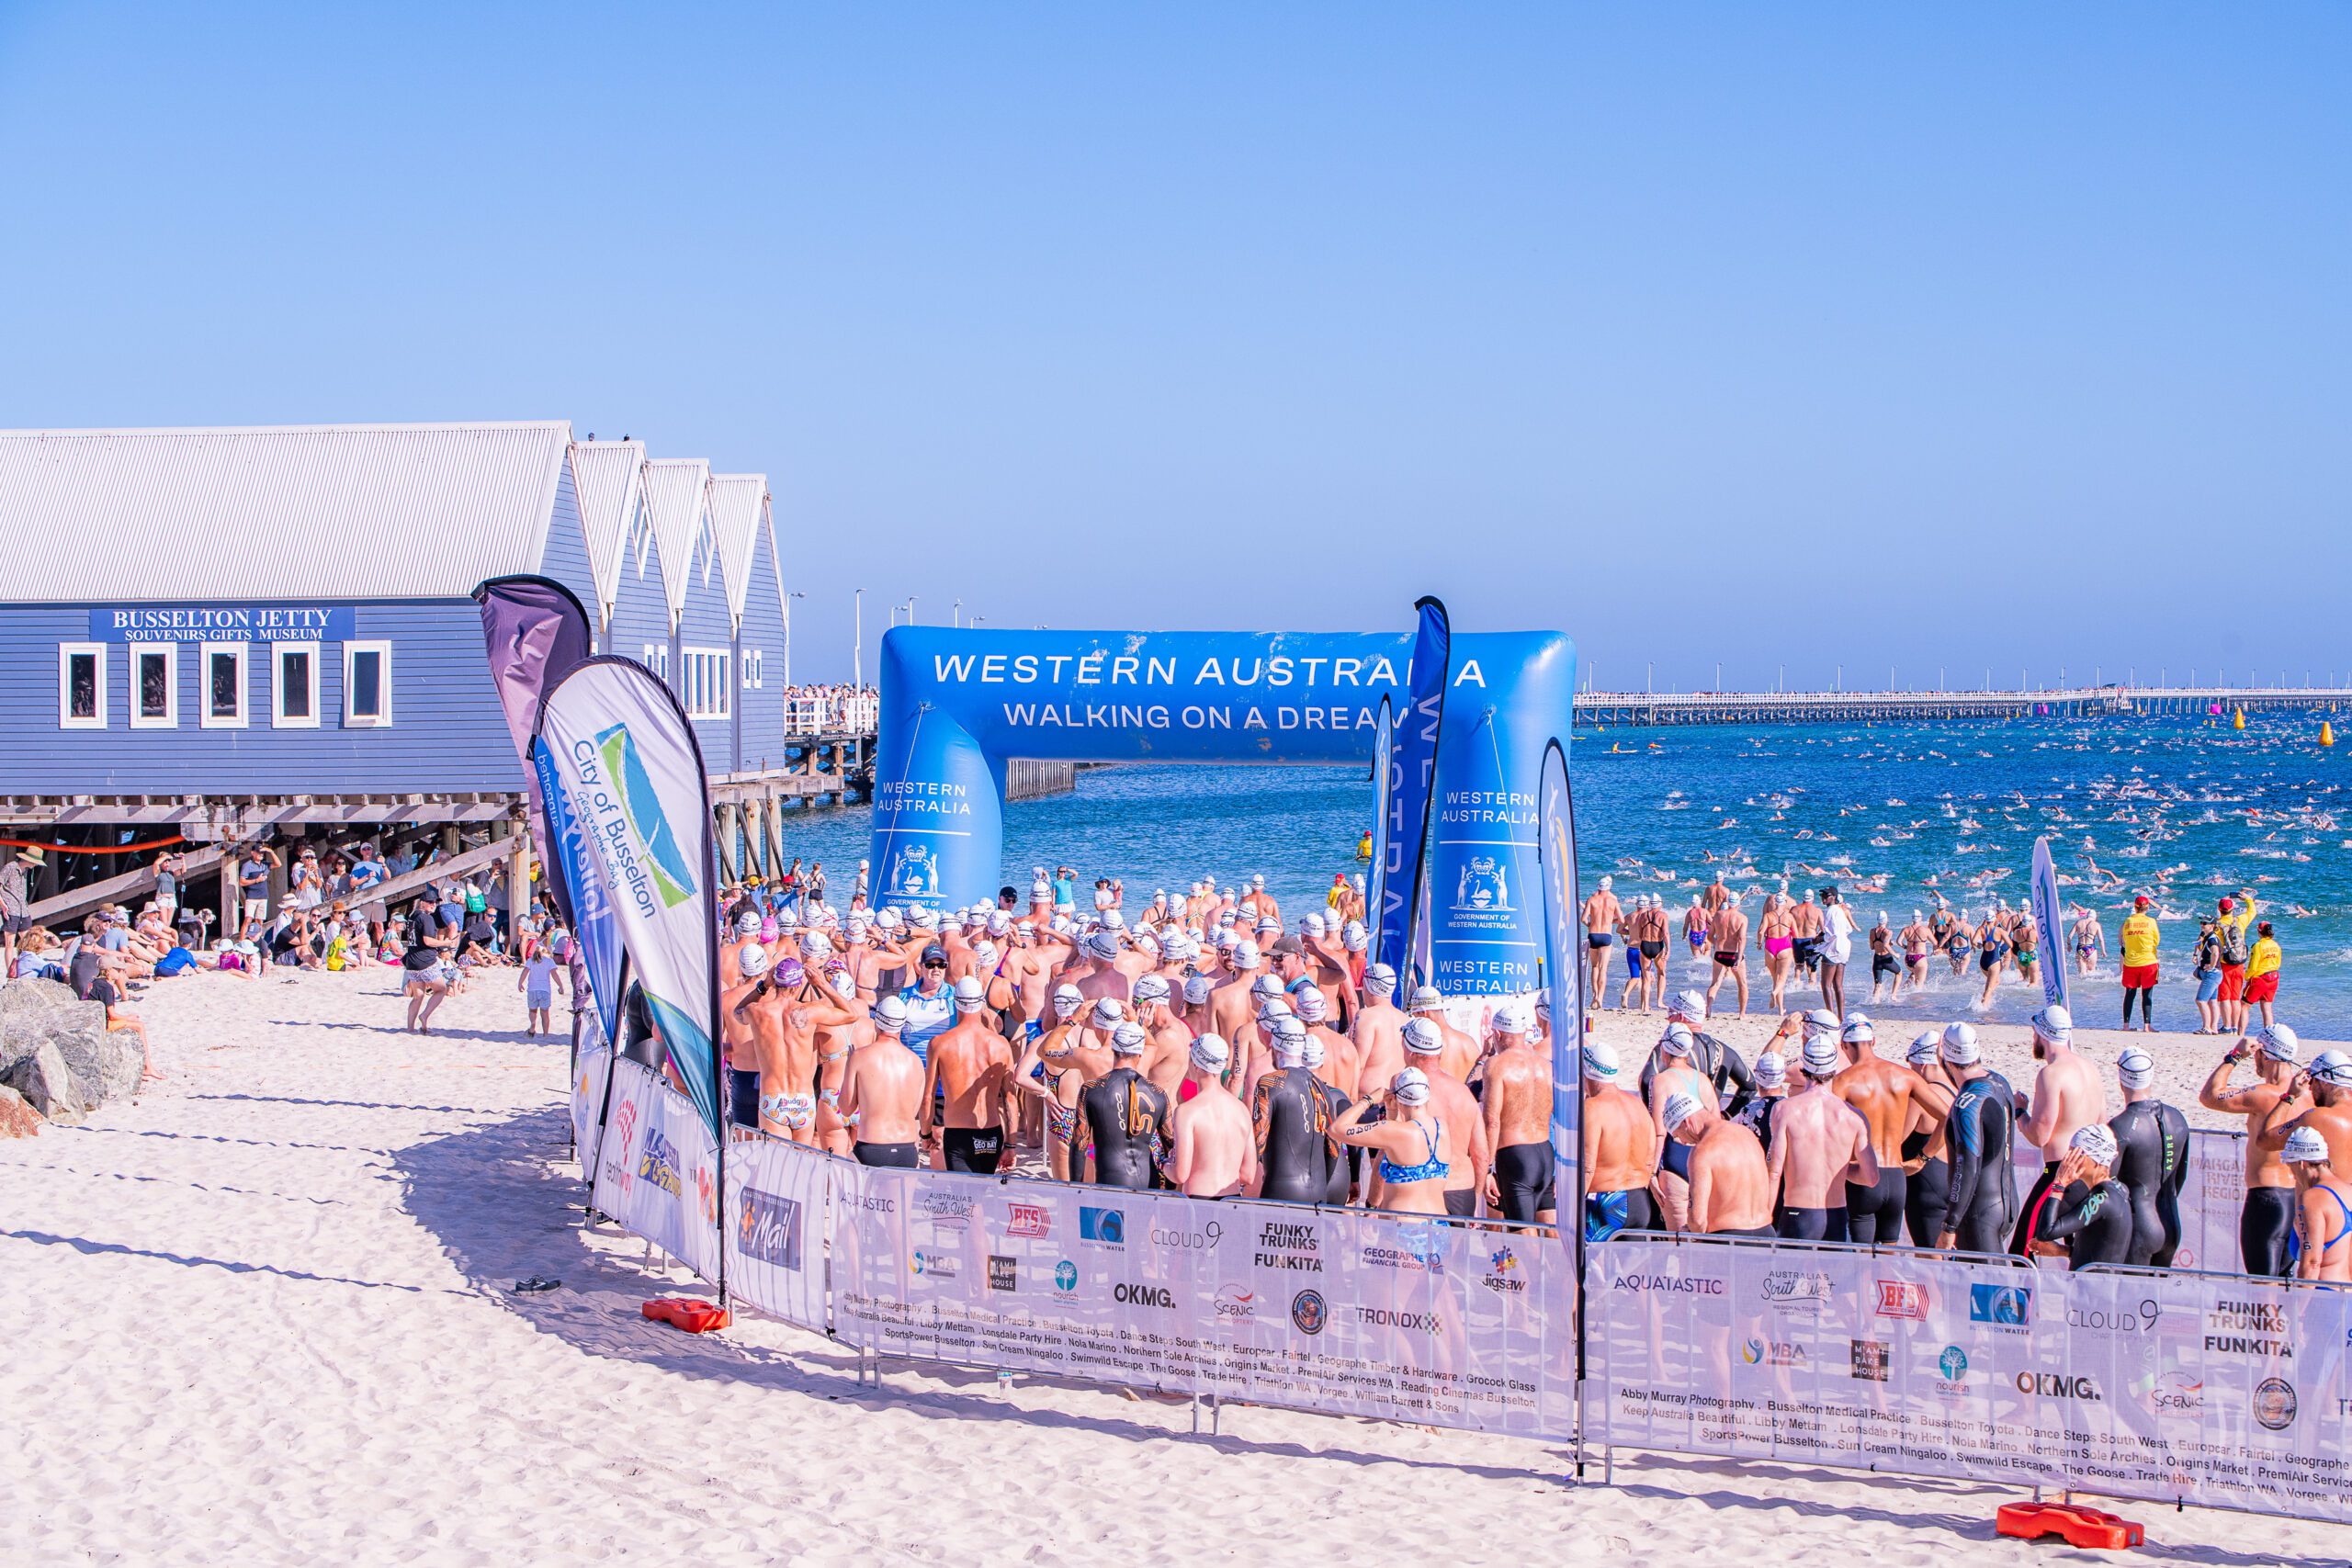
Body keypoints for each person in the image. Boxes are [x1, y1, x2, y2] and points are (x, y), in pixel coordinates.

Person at [1831, 1018, 1947, 1245]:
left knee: (1862, 1262)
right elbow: (1949, 1118)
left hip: (1862, 1175)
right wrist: (1923, 1158)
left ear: (1844, 1046)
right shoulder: (1905, 1076)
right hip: (1896, 1177)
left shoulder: (1843, 1081)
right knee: (1887, 1258)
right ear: (1873, 1041)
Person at [2200, 1025, 2301, 1277]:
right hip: (2297, 1198)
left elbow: (2209, 1096)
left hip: (2266, 1198)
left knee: (2262, 1288)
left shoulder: (2265, 1094)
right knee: (2286, 1284)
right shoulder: (2307, 1094)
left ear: (2262, 1055)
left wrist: (2234, 1056)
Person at [2010, 1005, 2103, 1255]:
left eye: (2034, 1033)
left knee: (2023, 1251)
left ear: (2043, 1034)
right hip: (2090, 1175)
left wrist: (2019, 1111)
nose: (2033, 1039)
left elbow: (2039, 1136)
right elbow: (2102, 1126)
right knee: (2081, 1255)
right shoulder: (2090, 1069)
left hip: (2060, 1174)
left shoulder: (2051, 1074)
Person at [1766, 1034, 1877, 1240]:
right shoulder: (1853, 1116)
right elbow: (1871, 1177)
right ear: (1834, 1067)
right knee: (1833, 1273)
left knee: (1791, 1273)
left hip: (1797, 1213)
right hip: (1835, 1214)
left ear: (1803, 1066)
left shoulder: (1784, 1110)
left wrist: (1764, 1217)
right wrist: (1842, 1169)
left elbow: (1774, 1172)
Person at [1936, 1023, 2019, 1254]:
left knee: (1987, 1288)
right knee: (1998, 1283)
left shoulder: (1967, 1104)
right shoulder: (1999, 1083)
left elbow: (1967, 1165)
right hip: (2007, 1202)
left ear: (1946, 1058)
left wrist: (1950, 1225)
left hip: (1978, 1212)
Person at [920, 976, 1013, 1174]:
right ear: (982, 1003)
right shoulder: (1001, 1044)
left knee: (964, 1200)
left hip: (958, 1133)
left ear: (955, 1003)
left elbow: (928, 1097)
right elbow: (1010, 1099)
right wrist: (1011, 1145)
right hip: (991, 1133)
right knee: (983, 1195)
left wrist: (926, 1133)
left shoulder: (940, 1043)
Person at [2108, 1047, 2191, 1267]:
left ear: (2121, 1079)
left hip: (2138, 1226)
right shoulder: (2178, 1118)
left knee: (2131, 1299)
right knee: (2155, 1299)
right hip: (2170, 1222)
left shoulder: (2120, 1125)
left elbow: (2109, 1187)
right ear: (2151, 1077)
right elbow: (2180, 1176)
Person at [1334, 1067, 1450, 1216]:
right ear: (1427, 1096)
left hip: (1404, 1230)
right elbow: (1396, 1150)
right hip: (1438, 1227)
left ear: (1397, 1097)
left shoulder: (1395, 1131)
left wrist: (1369, 1100)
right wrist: (1392, 1112)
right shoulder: (1442, 1127)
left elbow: (1337, 1129)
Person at [1481, 999, 1555, 1224]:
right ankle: (1556, 1262)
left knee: (1522, 1234)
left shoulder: (1496, 1065)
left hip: (1515, 1156)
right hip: (1545, 1153)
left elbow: (1492, 1121)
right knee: (1550, 1229)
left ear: (1497, 1034)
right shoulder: (1545, 1065)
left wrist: (1487, 1169)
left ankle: (1527, 1262)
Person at [1661, 1091, 1774, 1238]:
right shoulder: (1746, 1133)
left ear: (1686, 1122)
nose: (1683, 1142)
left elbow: (1697, 1220)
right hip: (1766, 1232)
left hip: (1729, 1239)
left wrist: (1690, 1231)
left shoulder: (1703, 1151)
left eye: (1677, 1135)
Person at [1581, 1043, 1660, 1239]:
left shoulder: (1592, 1108)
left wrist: (1573, 1202)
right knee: (1630, 1270)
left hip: (1606, 1202)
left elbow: (1588, 1167)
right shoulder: (1637, 1105)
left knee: (1590, 1267)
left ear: (1586, 1071)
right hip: (1639, 1202)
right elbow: (1650, 1160)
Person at [2029, 1124, 2134, 1270]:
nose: (2067, 1160)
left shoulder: (2102, 1199)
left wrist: (2059, 1184)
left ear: (2094, 1158)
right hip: (2097, 1287)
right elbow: (2103, 1250)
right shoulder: (2118, 1190)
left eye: (2075, 1154)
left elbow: (2046, 1232)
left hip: (2091, 1290)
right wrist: (2064, 1251)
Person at [1078, 1023, 1170, 1189]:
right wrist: (1169, 1188)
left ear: (1113, 1048)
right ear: (1140, 1053)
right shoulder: (1158, 1093)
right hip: (1149, 1182)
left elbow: (1079, 1145)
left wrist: (1074, 1185)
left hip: (1110, 1182)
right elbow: (1170, 1145)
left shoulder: (1090, 1089)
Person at [839, 996, 924, 1168]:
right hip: (906, 1149)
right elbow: (913, 1110)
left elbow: (846, 1109)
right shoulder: (915, 1061)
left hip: (871, 1147)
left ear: (876, 1023)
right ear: (902, 1025)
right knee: (902, 1196)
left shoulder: (859, 1057)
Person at [1250, 1023, 1329, 1202]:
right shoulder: (1321, 1087)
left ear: (1274, 1047)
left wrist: (1242, 1176)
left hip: (1281, 1190)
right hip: (1319, 1192)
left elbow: (1258, 1141)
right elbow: (1333, 1149)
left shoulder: (1269, 1083)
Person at [1170, 1035, 1255, 1197]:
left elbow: (1180, 1174)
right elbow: (1248, 1175)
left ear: (1195, 1065)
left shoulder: (1187, 1112)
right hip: (1231, 1203)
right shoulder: (1241, 1110)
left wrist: (1164, 1163)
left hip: (1198, 1202)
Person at [2285, 1127, 2352, 1283]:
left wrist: (2298, 1306)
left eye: (2290, 1167)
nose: (2292, 1174)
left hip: (2324, 1294)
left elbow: (2312, 1264)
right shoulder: (2348, 1190)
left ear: (2301, 1163)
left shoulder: (2312, 1199)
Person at [1702, 891, 1750, 1016]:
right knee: (1742, 984)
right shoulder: (1742, 918)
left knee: (1715, 983)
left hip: (1719, 954)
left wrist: (1716, 945)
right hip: (1734, 955)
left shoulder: (1718, 915)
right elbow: (1742, 939)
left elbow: (1709, 935)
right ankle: (1742, 1013)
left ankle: (1709, 1008)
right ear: (1738, 903)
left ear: (1728, 902)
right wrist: (1739, 957)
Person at [2119, 894, 2161, 1032]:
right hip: (2148, 961)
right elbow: (2157, 941)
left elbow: (2124, 939)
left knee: (2129, 994)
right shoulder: (2151, 921)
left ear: (2135, 907)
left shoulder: (2128, 921)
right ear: (2147, 907)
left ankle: (2126, 1025)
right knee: (2147, 994)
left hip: (2131, 962)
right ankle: (2147, 1026)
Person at [1581, 874, 1623, 1009]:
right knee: (1603, 968)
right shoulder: (1613, 899)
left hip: (1593, 935)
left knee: (1594, 967)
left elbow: (1583, 918)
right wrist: (1611, 921)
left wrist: (1590, 925)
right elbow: (1622, 920)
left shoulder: (1592, 899)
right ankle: (1600, 998)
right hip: (1606, 935)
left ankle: (1594, 996)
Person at [1815, 887, 1857, 1018]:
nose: (1823, 898)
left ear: (1833, 897)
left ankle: (1831, 1015)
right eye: (1822, 895)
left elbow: (1831, 934)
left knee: (1826, 985)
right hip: (1844, 947)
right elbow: (1848, 929)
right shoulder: (1840, 911)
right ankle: (1841, 1016)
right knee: (1838, 985)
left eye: (1826, 896)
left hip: (1834, 948)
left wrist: (1817, 940)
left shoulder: (1829, 911)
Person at [518, 943, 564, 1038]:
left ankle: (532, 1026)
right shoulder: (549, 961)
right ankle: (546, 1034)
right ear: (546, 952)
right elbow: (554, 974)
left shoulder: (531, 960)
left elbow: (525, 971)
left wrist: (520, 983)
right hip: (545, 991)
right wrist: (560, 986)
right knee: (545, 1013)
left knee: (532, 1010)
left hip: (532, 990)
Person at [2245, 920, 2283, 1029]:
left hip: (2260, 978)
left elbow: (2253, 965)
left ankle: (2240, 1033)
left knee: (2244, 1005)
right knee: (2267, 1007)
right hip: (2274, 977)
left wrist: (2247, 977)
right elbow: (2278, 963)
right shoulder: (2276, 945)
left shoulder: (2258, 945)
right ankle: (2269, 1032)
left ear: (2259, 931)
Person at [2191, 915, 2224, 1035]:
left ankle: (2207, 1027)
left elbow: (2215, 952)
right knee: (2212, 1001)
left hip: (2212, 974)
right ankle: (2214, 1027)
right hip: (2215, 974)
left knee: (2200, 1000)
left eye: (2205, 923)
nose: (2202, 925)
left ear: (2212, 925)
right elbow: (2199, 943)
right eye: (2202, 923)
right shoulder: (2207, 937)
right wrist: (2196, 955)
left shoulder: (2212, 939)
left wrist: (2211, 965)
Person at [2070, 905, 2106, 978]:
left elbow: (2069, 936)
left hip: (2080, 948)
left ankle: (2081, 988)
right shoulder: (2096, 925)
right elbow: (2101, 939)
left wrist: (2069, 945)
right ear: (2095, 917)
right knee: (2091, 973)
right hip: (2091, 949)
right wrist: (2103, 951)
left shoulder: (2079, 922)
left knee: (2082, 974)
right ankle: (2091, 989)